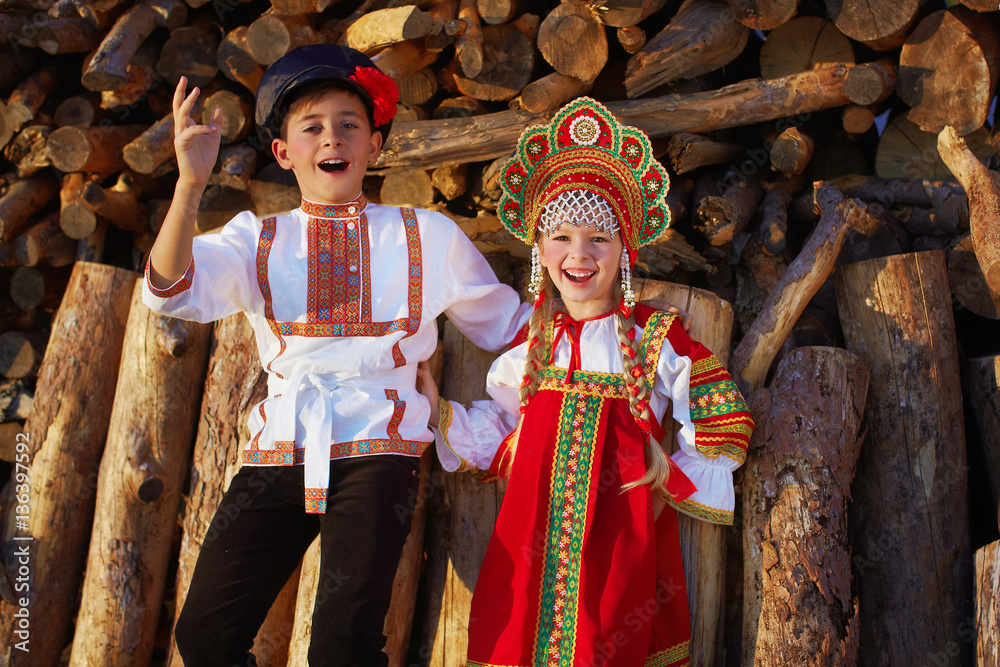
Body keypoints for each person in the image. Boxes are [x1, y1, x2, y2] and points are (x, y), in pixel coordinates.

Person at [142, 44, 535, 666]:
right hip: (282, 444)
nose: (334, 137)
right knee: (206, 635)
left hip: (382, 448)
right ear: (283, 152)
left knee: (342, 648)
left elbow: (509, 327)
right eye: (313, 126)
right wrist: (190, 184)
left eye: (350, 124)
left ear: (374, 147)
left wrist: (597, 306)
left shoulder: (426, 235)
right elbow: (170, 290)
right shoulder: (256, 238)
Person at [416, 97, 755, 667]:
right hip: (531, 533)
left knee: (609, 636)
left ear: (625, 251)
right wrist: (441, 412)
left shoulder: (653, 336)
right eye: (562, 237)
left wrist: (671, 473)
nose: (579, 254)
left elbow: (722, 412)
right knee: (516, 635)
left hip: (618, 529)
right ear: (539, 252)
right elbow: (507, 432)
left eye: (599, 238)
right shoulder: (535, 345)